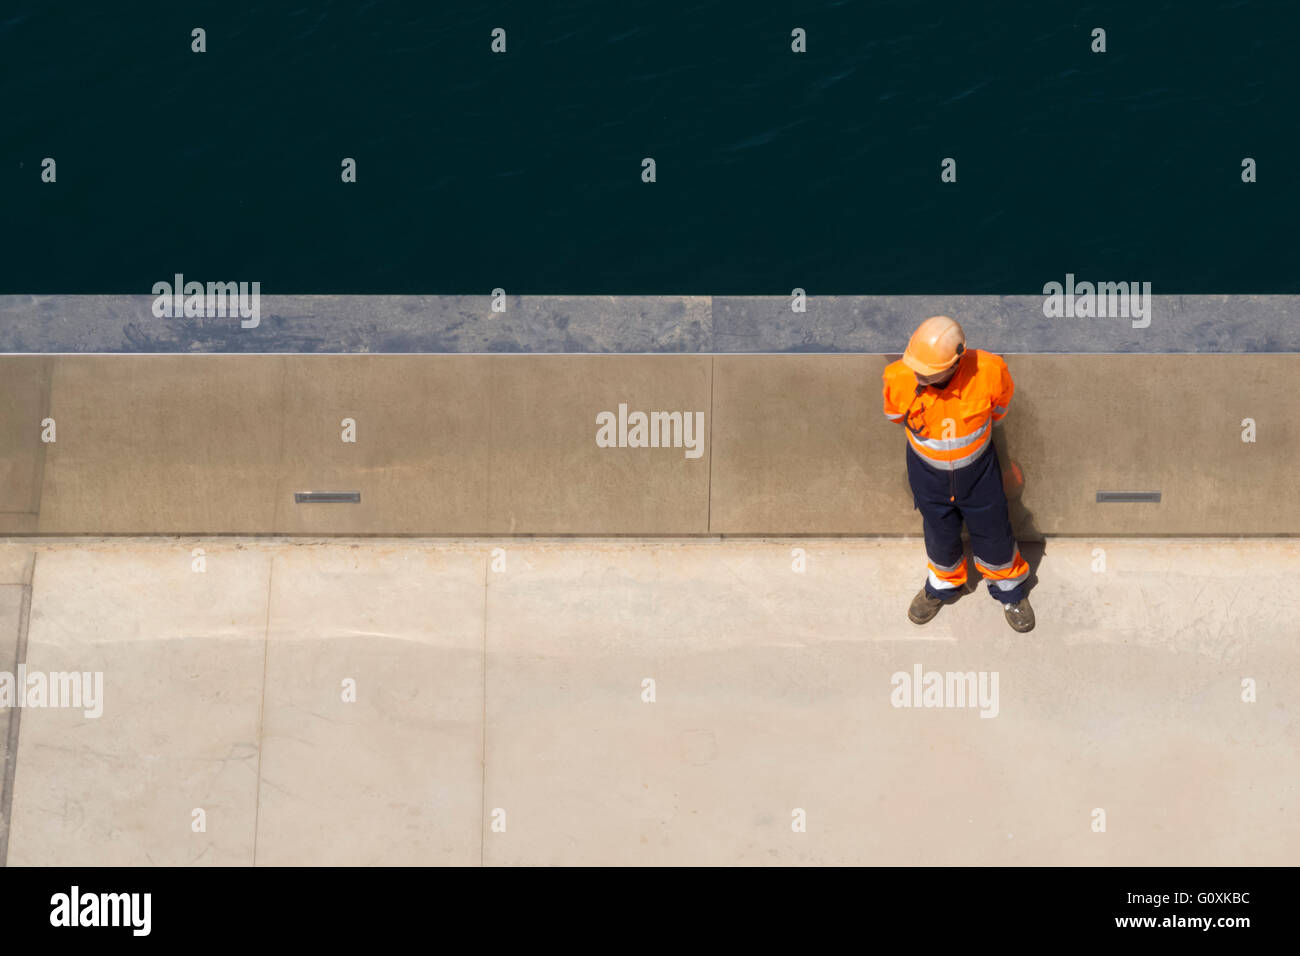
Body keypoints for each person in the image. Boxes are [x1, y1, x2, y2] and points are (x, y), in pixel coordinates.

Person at [881, 315, 1034, 632]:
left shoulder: (990, 370)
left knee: (994, 533)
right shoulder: (898, 377)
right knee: (939, 534)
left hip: (979, 475)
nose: (920, 378)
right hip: (927, 477)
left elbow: (1000, 406)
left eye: (929, 373)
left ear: (957, 361)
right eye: (917, 370)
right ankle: (942, 585)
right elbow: (895, 414)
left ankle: (1010, 591)